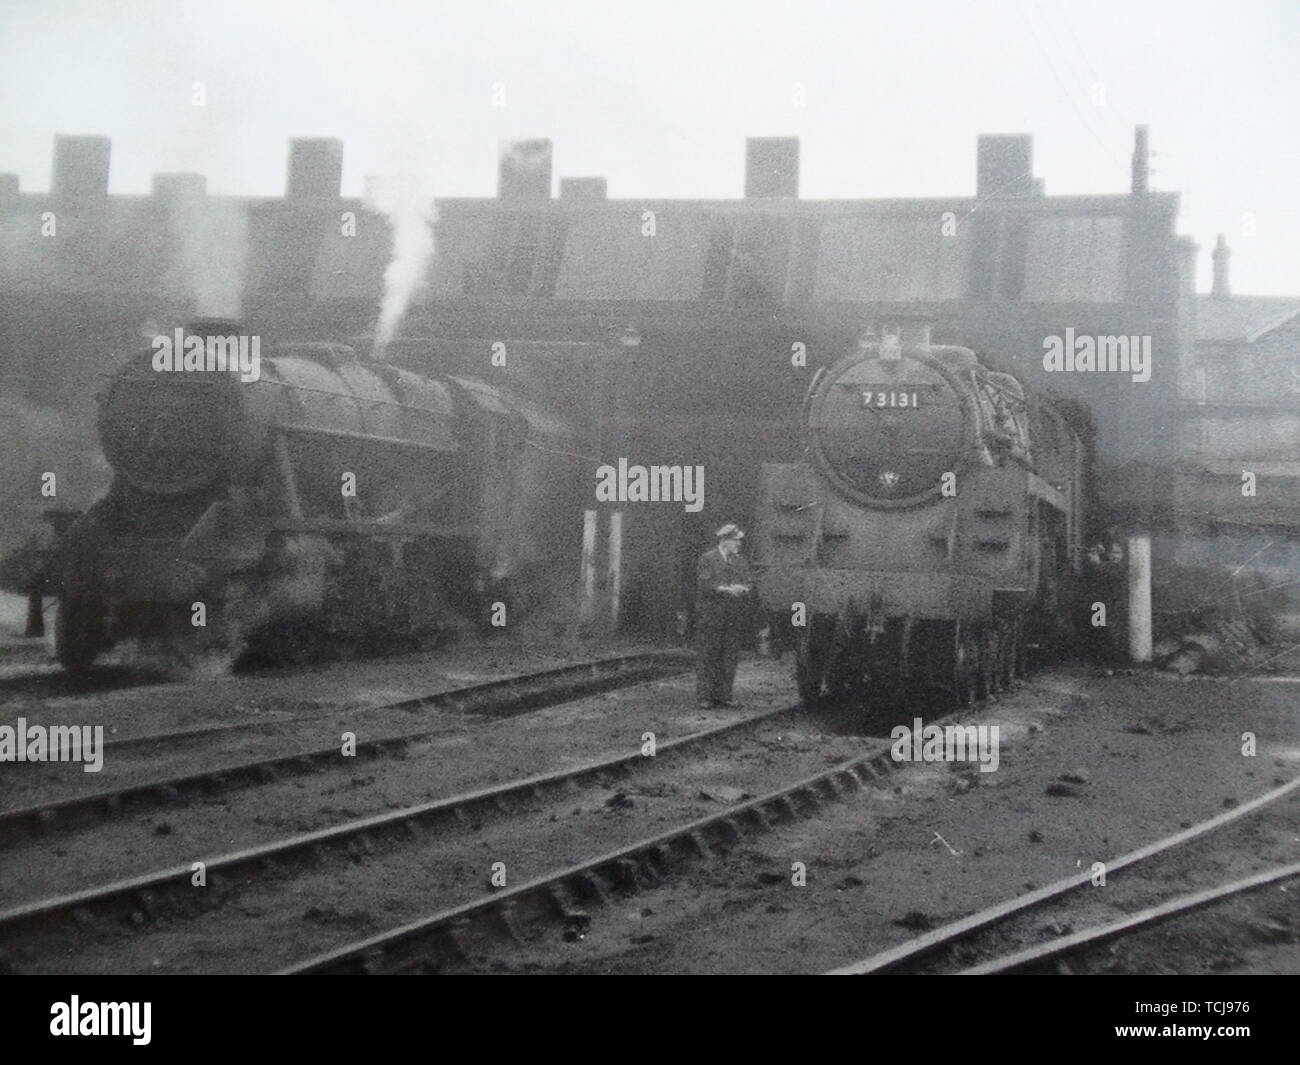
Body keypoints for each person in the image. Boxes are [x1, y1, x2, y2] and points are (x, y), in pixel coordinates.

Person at [695, 523, 753, 708]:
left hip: (733, 617)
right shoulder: (708, 559)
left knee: (730, 656)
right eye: (736, 541)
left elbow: (749, 582)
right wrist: (727, 590)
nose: (739, 544)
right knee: (709, 655)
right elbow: (705, 585)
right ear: (725, 540)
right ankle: (705, 697)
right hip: (712, 617)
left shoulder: (740, 561)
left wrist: (743, 588)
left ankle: (724, 696)